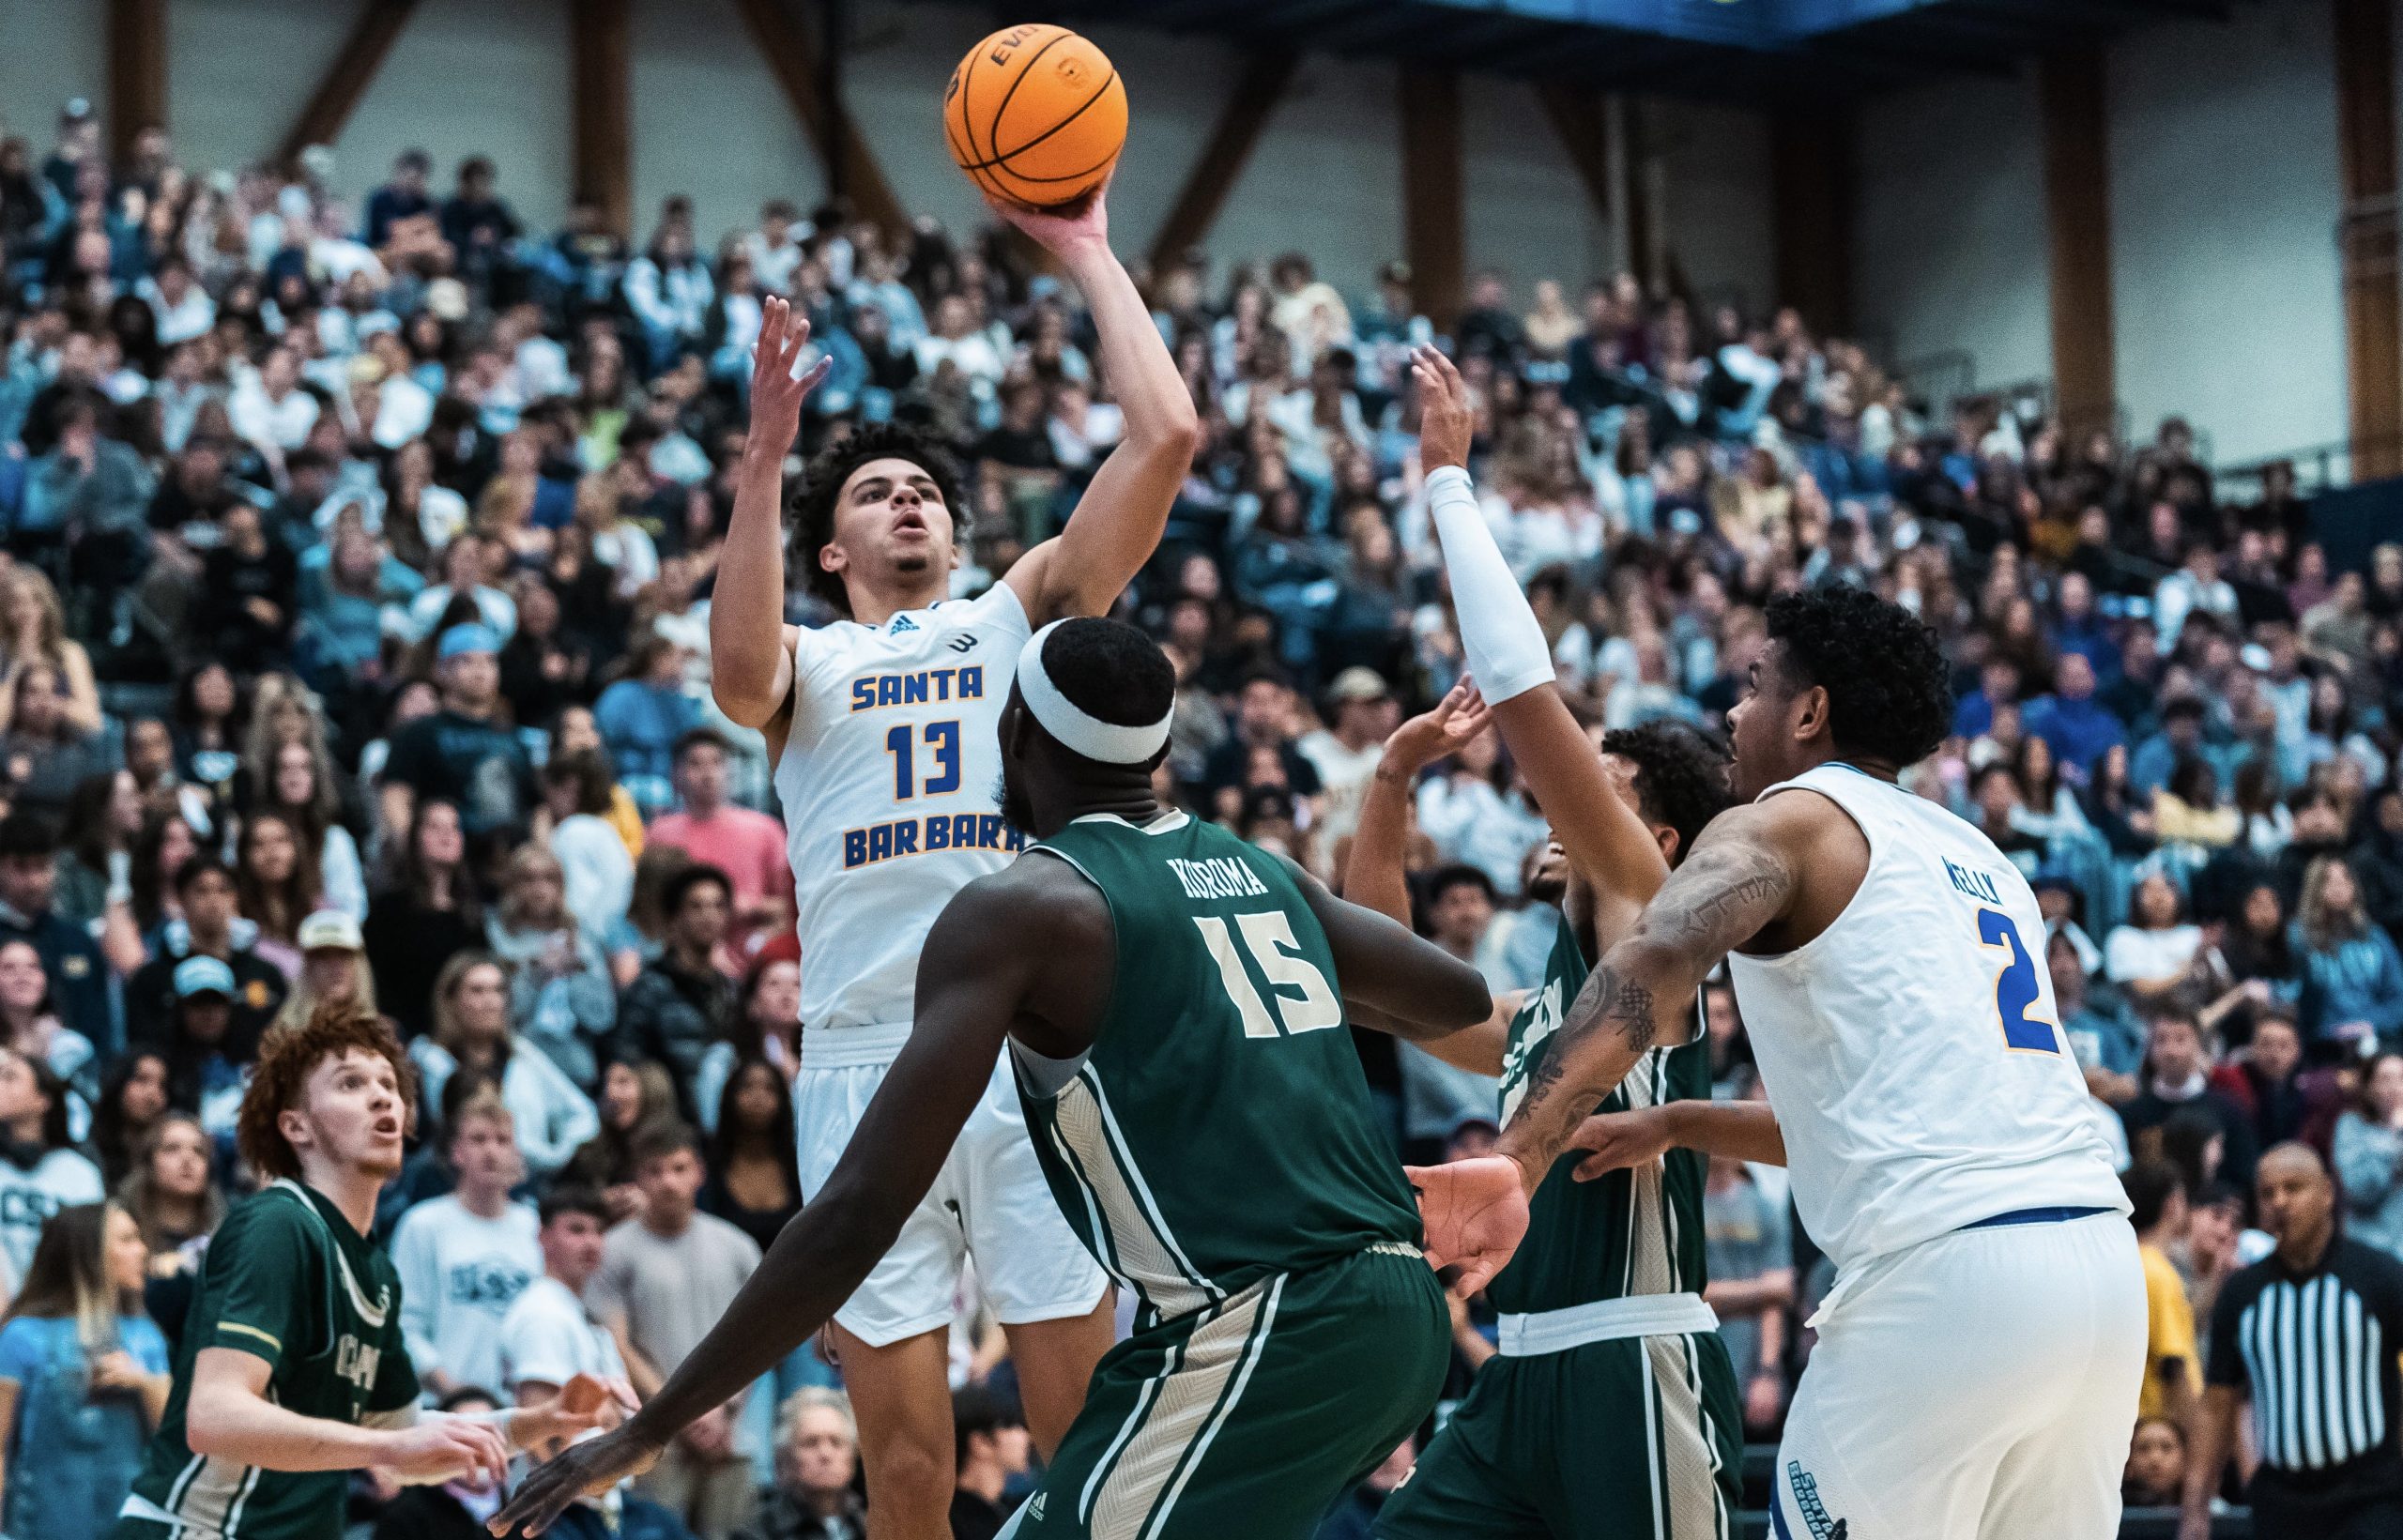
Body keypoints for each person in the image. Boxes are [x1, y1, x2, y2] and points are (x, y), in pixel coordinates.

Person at [497, 618, 1491, 1540]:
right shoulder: (1257, 870)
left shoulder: (1023, 907)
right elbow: (1447, 995)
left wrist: (651, 1425)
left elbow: (858, 1210)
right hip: (1395, 1317)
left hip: (1271, 1326)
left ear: (1011, 729)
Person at [1416, 582, 2142, 1540]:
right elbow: (1893, 1115)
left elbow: (1654, 964)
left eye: (1754, 685)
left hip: (1942, 1287)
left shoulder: (1781, 822)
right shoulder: (1979, 854)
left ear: (1809, 712)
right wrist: (1676, 1122)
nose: (1731, 708)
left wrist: (1519, 1154)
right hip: (2096, 1274)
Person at [696, 178, 1199, 1540]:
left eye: (924, 489)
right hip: (865, 1056)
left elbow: (1166, 436)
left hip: (1026, 1053)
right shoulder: (809, 660)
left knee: (1080, 1439)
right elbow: (735, 668)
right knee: (906, 1469)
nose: (907, 503)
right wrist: (762, 456)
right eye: (875, 491)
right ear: (829, 543)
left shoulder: (1010, 619)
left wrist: (1091, 252)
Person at [1344, 348, 1743, 1540]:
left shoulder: (1654, 908)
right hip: (1514, 1371)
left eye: (1600, 792)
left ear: (1654, 832)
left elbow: (1526, 693)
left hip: (1638, 1364)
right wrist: (1391, 777)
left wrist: (1449, 489)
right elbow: (1383, 986)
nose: (1559, 812)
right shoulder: (1542, 1014)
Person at [107, 1004, 620, 1540]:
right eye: (350, 1083)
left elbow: (401, 1439)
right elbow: (213, 1417)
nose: (382, 1096)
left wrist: (539, 1421)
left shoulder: (375, 1269)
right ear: (296, 1126)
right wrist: (384, 1447)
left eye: (388, 1084)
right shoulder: (278, 1224)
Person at [2182, 1144, 2403, 1540]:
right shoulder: (2242, 1293)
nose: (2278, 1202)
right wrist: (2195, 1506)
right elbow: (2217, 1404)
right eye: (2267, 1193)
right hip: (2280, 1502)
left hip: (2370, 1495)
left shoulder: (2380, 1277)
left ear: (2327, 1194)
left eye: (2293, 1188)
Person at [587, 1121, 761, 1540]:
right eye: (656, 1170)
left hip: (730, 1431)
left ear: (699, 1173)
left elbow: (757, 1338)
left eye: (680, 1168)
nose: (668, 1182)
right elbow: (616, 1342)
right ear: (638, 1178)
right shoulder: (614, 1250)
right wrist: (681, 1411)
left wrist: (722, 1407)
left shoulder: (737, 1247)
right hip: (655, 1436)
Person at [0, 1201, 171, 1540]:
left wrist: (145, 1383)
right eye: (127, 1239)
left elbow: (175, 1441)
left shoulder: (145, 1335)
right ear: (89, 1252)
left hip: (130, 1525)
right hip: (39, 1525)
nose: (143, 1250)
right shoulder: (23, 1335)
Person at [388, 1087, 541, 1402]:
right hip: (443, 1408)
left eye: (502, 1140)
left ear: (517, 1152)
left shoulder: (533, 1226)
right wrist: (455, 1393)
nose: (491, 1151)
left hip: (522, 1413)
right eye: (479, 1139)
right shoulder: (424, 1223)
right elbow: (403, 1326)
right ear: (457, 1151)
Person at [408, 953, 599, 1179]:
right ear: (451, 1000)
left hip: (530, 1183)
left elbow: (582, 1113)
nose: (490, 1001)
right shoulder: (426, 1060)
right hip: (449, 1182)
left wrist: (555, 1156)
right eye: (477, 991)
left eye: (498, 990)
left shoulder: (522, 1055)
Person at [645, 730, 789, 960]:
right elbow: (648, 910)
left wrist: (753, 906)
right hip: (684, 964)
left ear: (730, 771)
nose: (708, 774)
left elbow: (792, 906)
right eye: (695, 764)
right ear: (676, 775)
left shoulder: (764, 830)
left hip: (751, 961)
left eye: (717, 763)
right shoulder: (661, 834)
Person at [615, 865, 738, 1106]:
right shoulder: (647, 990)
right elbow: (627, 1061)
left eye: (718, 906)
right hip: (667, 1125)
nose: (708, 916)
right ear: (675, 917)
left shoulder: (731, 991)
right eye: (696, 906)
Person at [0, 815, 113, 1056]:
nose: (33, 881)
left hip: (76, 1074)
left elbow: (101, 1026)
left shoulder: (77, 940)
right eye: (21, 867)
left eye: (41, 866)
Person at [0, 1048, 104, 1290]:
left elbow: (91, 1254)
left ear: (43, 1099)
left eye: (9, 1077)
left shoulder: (79, 1172)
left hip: (59, 1312)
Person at [2121, 1160, 2198, 1426]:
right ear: (2174, 1203)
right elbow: (2173, 1364)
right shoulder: (2159, 1273)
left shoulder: (2130, 1263)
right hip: (2164, 1429)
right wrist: (2195, 1440)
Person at [735, 1389, 864, 1540]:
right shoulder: (758, 1533)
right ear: (786, 1455)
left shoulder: (871, 1522)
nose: (825, 1454)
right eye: (811, 1442)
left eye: (836, 1442)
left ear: (853, 1453)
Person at [2334, 1051, 2403, 1260]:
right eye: (2385, 1079)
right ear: (2370, 1087)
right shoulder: (2351, 1126)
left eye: (2401, 1079)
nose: (2394, 1087)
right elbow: (2359, 1190)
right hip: (2369, 1249)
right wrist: (2396, 1138)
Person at [946, 1384, 1029, 1540]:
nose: (1025, 1437)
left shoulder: (1013, 1510)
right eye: (1010, 1425)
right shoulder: (952, 1525)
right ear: (980, 1443)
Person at [2122, 1418, 2186, 1508]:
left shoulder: (2208, 1507)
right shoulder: (2113, 1510)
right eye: (2143, 1448)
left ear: (2185, 1458)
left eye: (2166, 1447)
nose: (2155, 1458)